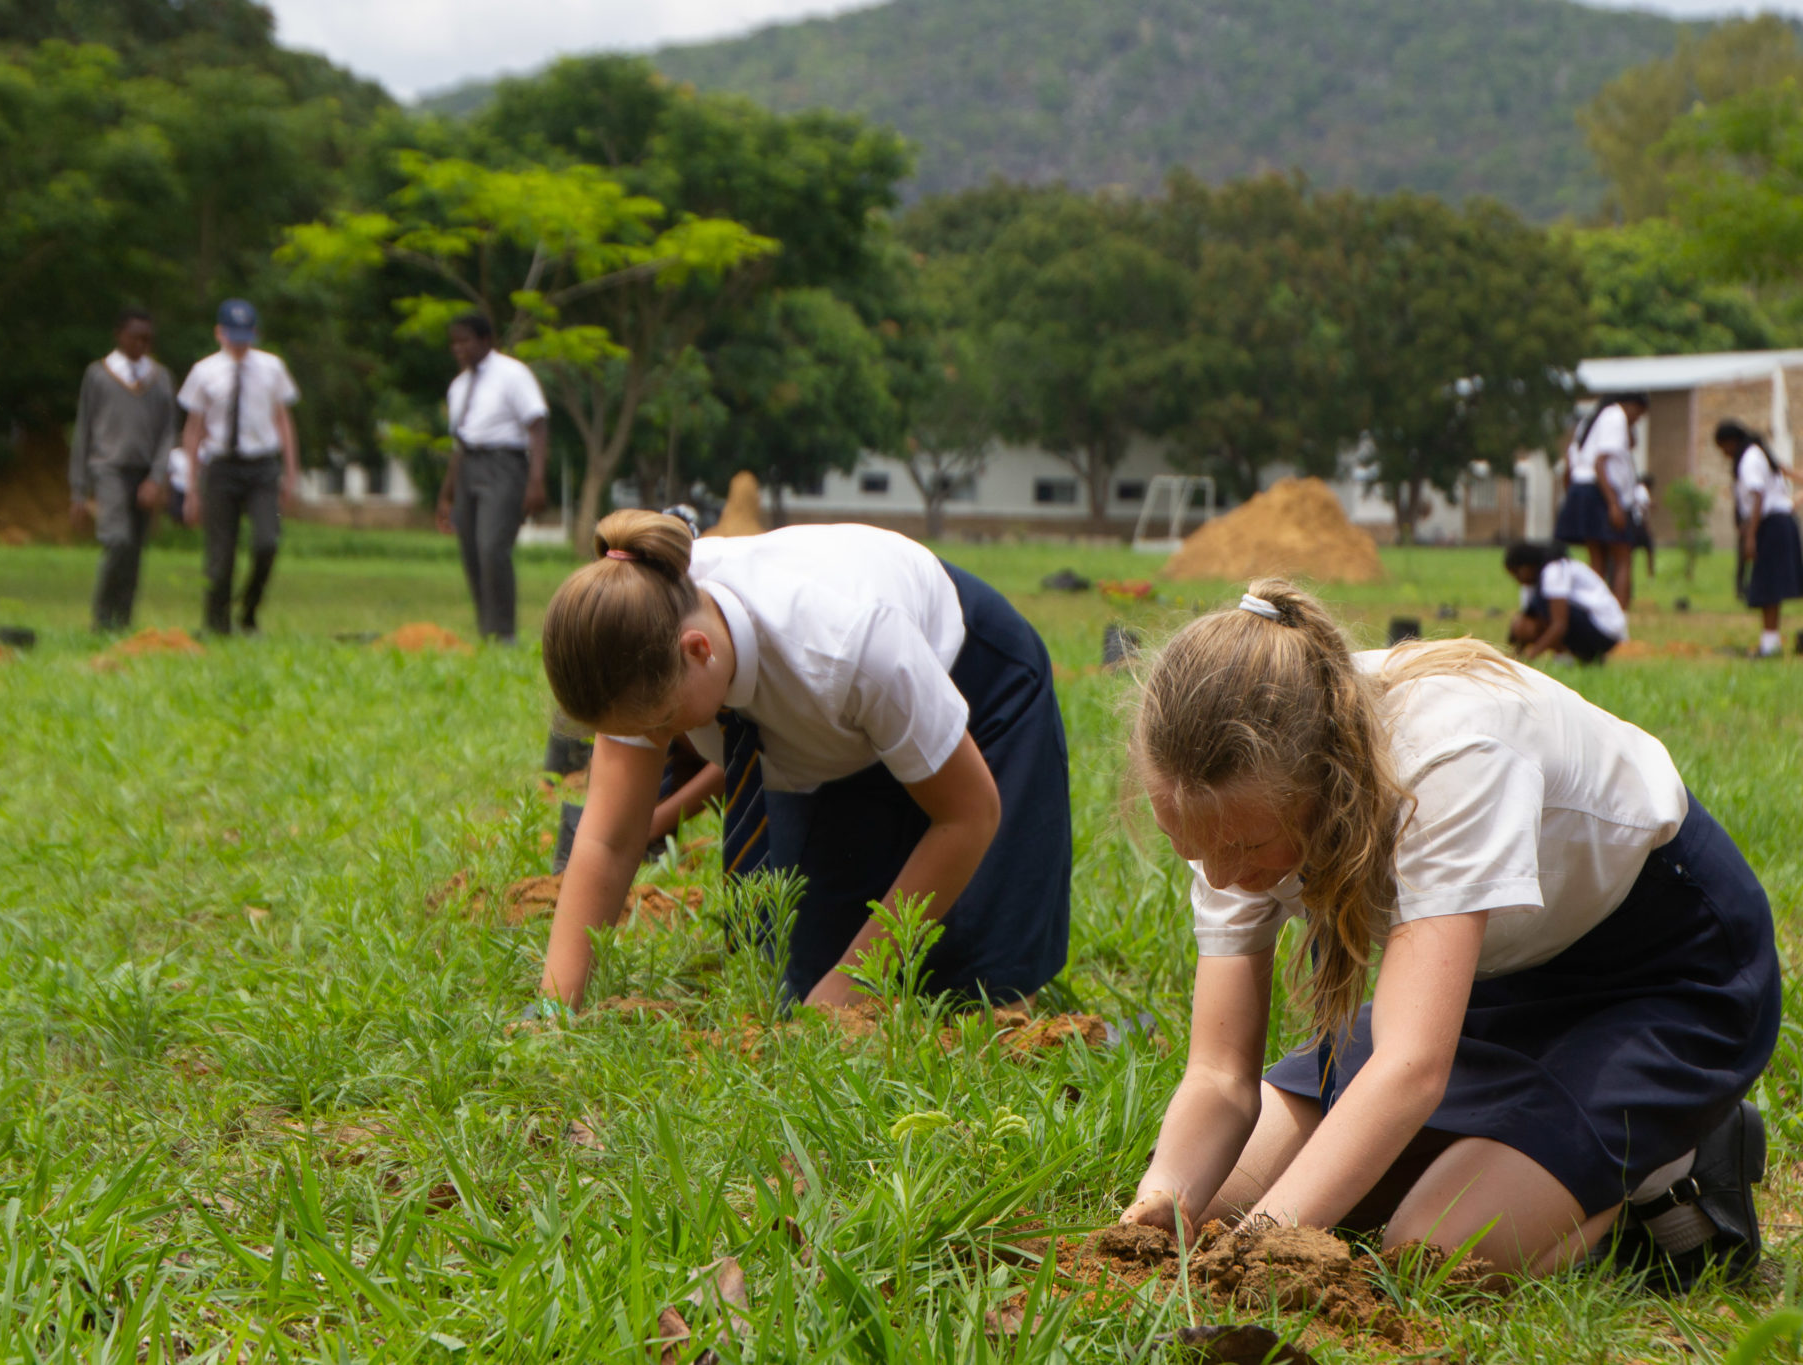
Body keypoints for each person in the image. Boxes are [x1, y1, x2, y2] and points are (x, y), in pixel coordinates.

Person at [1117, 582, 1778, 1287]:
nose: (1218, 875)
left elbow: (1409, 1068)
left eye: (1245, 847)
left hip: (1658, 972)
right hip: (1480, 978)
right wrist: (1162, 1200)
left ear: (1320, 789)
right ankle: (1522, 1152)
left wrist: (1259, 1250)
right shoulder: (1221, 796)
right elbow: (1219, 1072)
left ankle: (1669, 1160)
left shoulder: (1449, 755)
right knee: (1219, 1199)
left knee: (1432, 1249)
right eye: (1187, 842)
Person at [534, 512, 1071, 1012]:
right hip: (835, 741)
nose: (654, 743)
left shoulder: (849, 644)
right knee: (801, 983)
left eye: (660, 724)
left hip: (977, 688)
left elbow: (968, 815)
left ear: (698, 651)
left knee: (972, 983)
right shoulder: (634, 633)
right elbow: (608, 840)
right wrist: (554, 1011)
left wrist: (851, 982)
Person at [177, 299, 300, 636]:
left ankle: (248, 613)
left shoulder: (272, 368)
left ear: (256, 333)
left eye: (246, 335)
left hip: (262, 468)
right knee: (220, 555)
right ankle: (216, 625)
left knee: (267, 542)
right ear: (219, 333)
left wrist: (291, 473)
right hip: (220, 468)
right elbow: (193, 430)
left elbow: (284, 420)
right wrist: (190, 487)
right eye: (233, 335)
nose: (239, 343)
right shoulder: (204, 372)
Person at [437, 313, 549, 644]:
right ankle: (486, 630)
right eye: (454, 343)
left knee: (492, 548)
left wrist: (536, 479)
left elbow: (537, 424)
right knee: (471, 549)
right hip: (468, 465)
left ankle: (504, 633)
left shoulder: (512, 374)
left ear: (486, 340)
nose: (459, 349)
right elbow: (460, 443)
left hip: (504, 465)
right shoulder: (458, 386)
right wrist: (446, 494)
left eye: (466, 341)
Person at [69, 309, 176, 631]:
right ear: (120, 335)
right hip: (108, 467)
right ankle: (102, 617)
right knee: (117, 540)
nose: (142, 344)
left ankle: (123, 620)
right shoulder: (99, 374)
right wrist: (78, 489)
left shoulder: (160, 378)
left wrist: (156, 478)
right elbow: (84, 430)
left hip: (144, 470)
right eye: (136, 337)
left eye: (148, 339)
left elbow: (168, 432)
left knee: (135, 551)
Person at [1716, 419, 1802, 659]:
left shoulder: (1749, 458)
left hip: (1771, 524)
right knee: (1769, 585)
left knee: (1769, 585)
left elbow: (1758, 495)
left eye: (1723, 448)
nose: (1724, 454)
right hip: (1775, 523)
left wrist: (1751, 535)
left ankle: (1770, 645)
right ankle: (1770, 642)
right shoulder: (1757, 454)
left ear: (1730, 443)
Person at [1554, 393, 1646, 609]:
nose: (1636, 420)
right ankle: (1618, 613)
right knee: (1623, 555)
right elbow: (1600, 462)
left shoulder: (1590, 422)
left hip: (1581, 488)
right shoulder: (1615, 417)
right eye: (1639, 415)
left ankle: (1593, 609)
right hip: (1601, 491)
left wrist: (1572, 497)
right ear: (1631, 405)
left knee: (1597, 558)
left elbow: (1569, 466)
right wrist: (1614, 504)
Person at [1503, 541, 1627, 665]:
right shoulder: (1540, 579)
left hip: (1604, 630)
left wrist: (1531, 656)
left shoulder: (1553, 570)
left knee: (1542, 616)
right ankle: (1586, 657)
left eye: (1517, 574)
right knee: (1523, 623)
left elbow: (1559, 625)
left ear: (1526, 567)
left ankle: (1570, 656)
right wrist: (1514, 657)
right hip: (1595, 625)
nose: (1518, 581)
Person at [1630, 475, 1656, 581]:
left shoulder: (1636, 489)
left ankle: (1629, 573)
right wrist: (1647, 526)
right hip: (1639, 523)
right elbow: (1643, 507)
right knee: (1650, 548)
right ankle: (1651, 575)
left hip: (1632, 522)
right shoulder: (1643, 490)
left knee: (1630, 549)